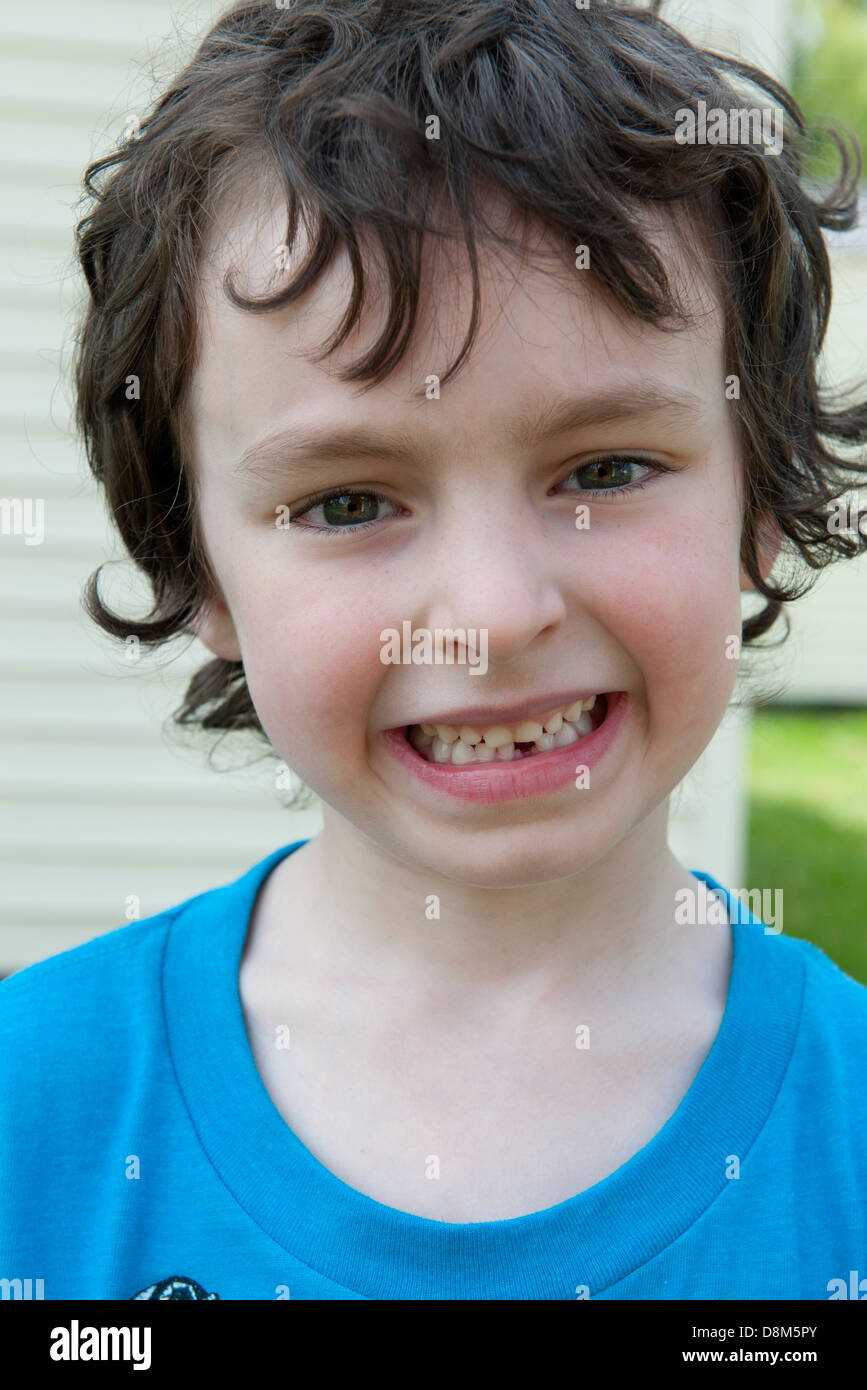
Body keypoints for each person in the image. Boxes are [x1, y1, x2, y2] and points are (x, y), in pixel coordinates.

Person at [2, 0, 866, 1301]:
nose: (494, 610)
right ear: (202, 570)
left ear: (759, 503)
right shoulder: (34, 1111)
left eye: (608, 466)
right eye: (348, 500)